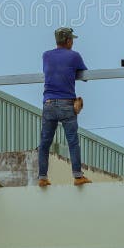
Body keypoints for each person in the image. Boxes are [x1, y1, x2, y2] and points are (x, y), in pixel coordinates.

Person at [38, 27, 92, 187]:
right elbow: (85, 76)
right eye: (72, 40)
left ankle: (42, 177)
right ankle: (77, 176)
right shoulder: (74, 56)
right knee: (72, 141)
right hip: (66, 103)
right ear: (68, 41)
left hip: (48, 103)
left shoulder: (46, 55)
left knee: (45, 143)